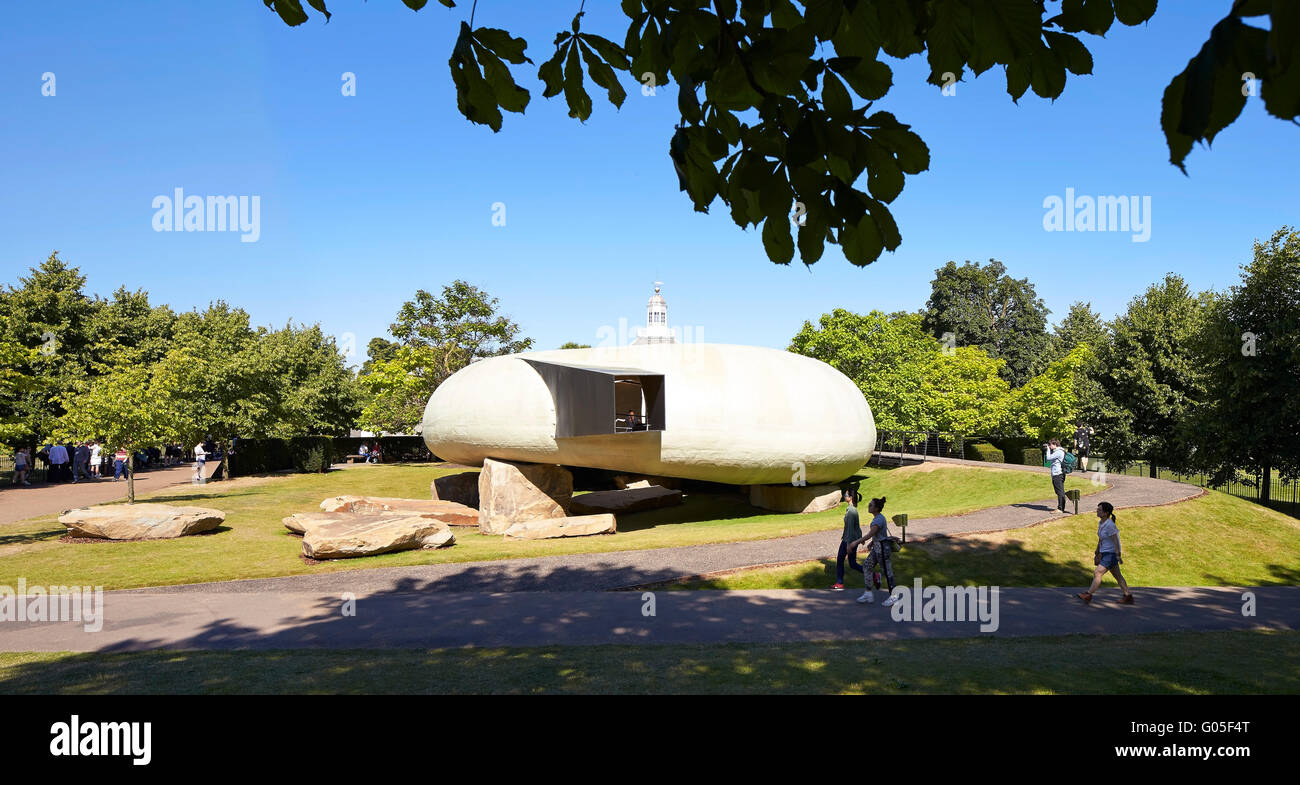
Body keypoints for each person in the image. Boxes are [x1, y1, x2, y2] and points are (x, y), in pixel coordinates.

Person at [1077, 501, 1134, 604]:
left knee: (1097, 572)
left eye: (1099, 510)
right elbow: (1101, 538)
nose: (1097, 511)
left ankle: (1088, 594)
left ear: (1105, 513)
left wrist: (1118, 555)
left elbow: (1116, 540)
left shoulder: (1110, 525)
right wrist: (1097, 549)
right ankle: (1128, 596)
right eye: (1097, 509)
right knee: (1118, 576)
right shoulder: (1101, 523)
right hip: (1105, 552)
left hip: (1111, 554)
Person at [847, 497, 901, 606]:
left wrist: (855, 543)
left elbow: (870, 534)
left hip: (882, 549)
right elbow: (877, 535)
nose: (868, 506)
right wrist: (872, 542)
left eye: (871, 505)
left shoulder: (878, 520)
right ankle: (868, 593)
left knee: (887, 571)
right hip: (876, 547)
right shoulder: (877, 518)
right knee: (867, 566)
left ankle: (894, 596)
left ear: (876, 508)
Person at [831, 489, 865, 591]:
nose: (844, 496)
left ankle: (839, 583)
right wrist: (860, 537)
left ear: (850, 498)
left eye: (845, 495)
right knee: (852, 563)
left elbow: (850, 528)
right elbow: (857, 527)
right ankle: (873, 575)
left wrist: (848, 545)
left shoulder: (851, 511)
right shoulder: (853, 509)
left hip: (848, 540)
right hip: (852, 539)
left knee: (840, 560)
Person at [1043, 437, 1067, 513]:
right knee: (1060, 491)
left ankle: (1060, 508)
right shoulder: (1060, 451)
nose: (1049, 446)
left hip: (1058, 474)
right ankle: (1061, 508)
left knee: (1059, 492)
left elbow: (1048, 458)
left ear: (1055, 444)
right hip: (1059, 473)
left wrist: (1048, 450)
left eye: (1050, 445)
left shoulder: (1059, 452)